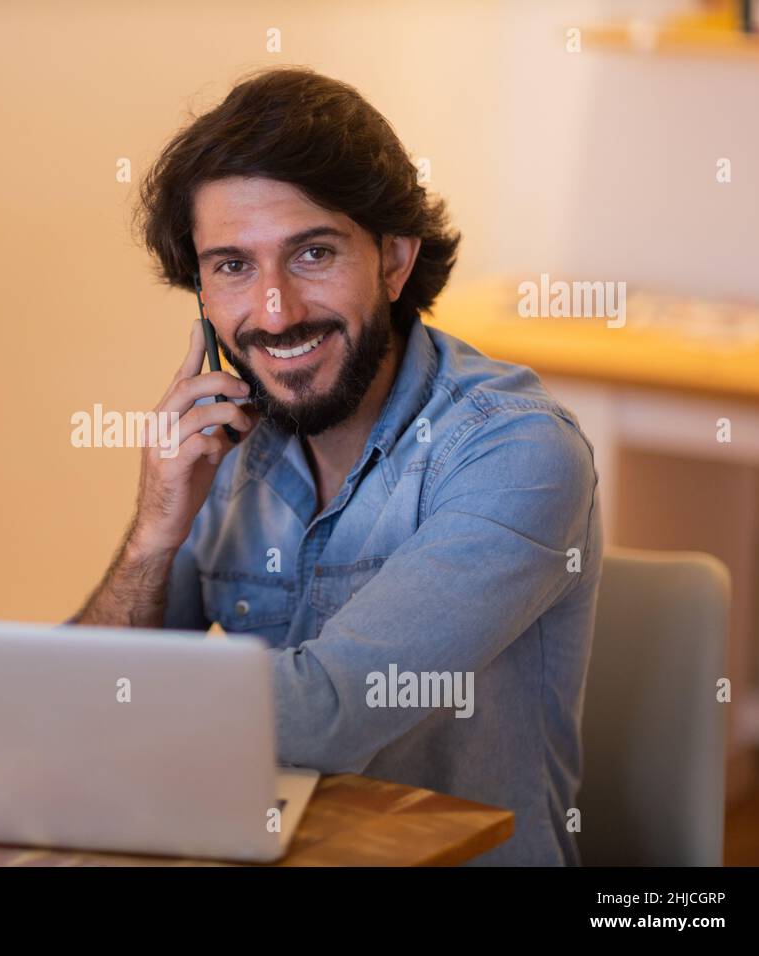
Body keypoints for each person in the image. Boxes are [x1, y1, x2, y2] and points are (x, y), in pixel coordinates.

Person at [72, 67, 602, 865]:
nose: (275, 311)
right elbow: (79, 706)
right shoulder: (230, 438)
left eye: (312, 253)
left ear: (393, 260)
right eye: (232, 267)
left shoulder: (517, 453)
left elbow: (326, 717)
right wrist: (153, 533)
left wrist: (87, 709)